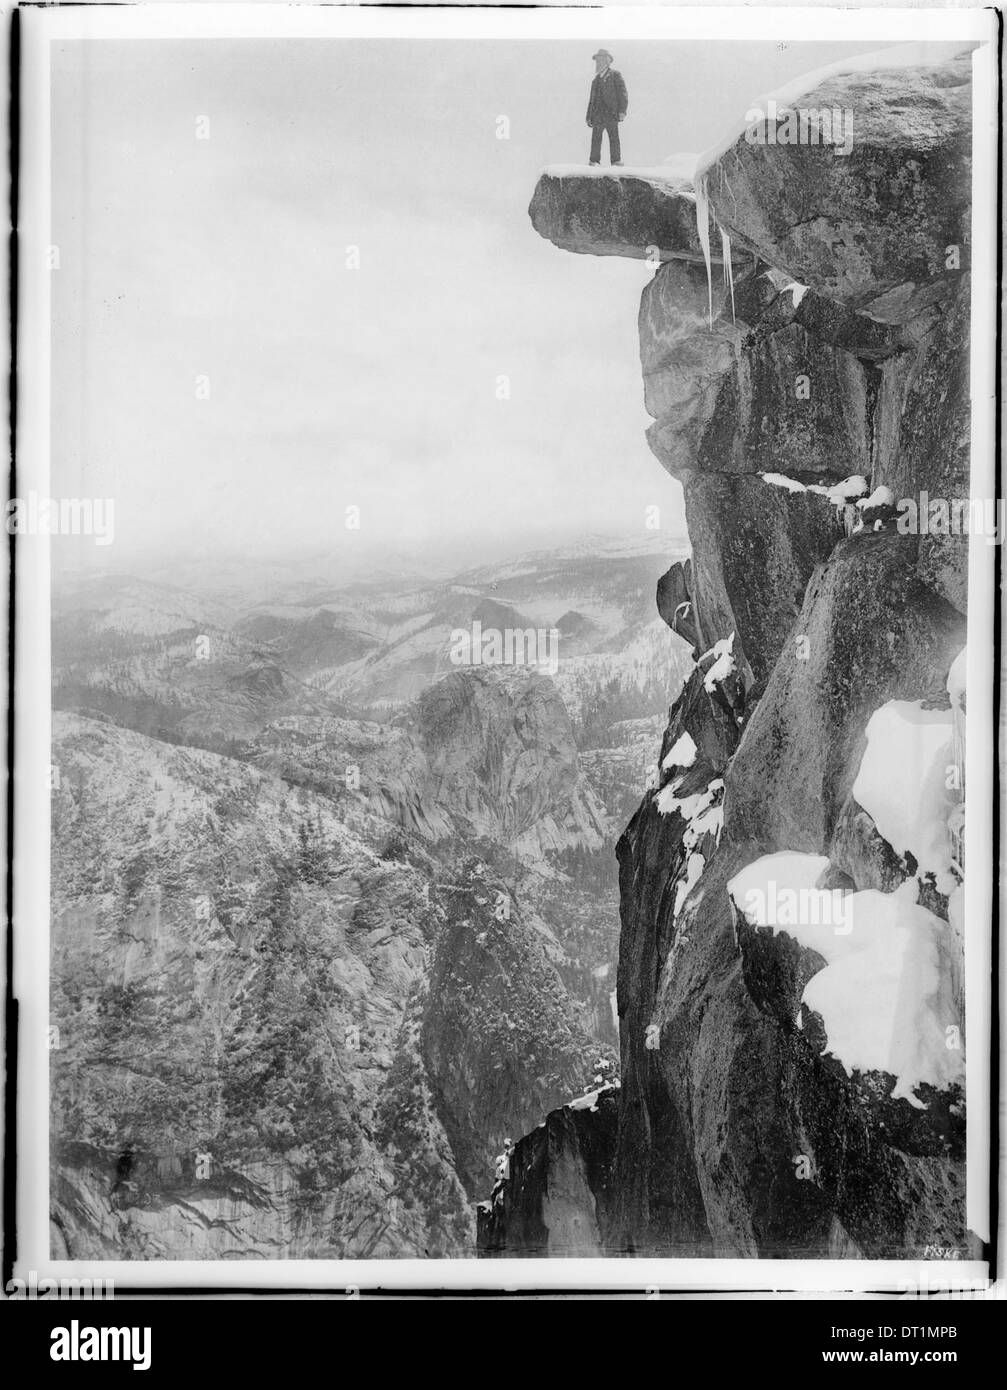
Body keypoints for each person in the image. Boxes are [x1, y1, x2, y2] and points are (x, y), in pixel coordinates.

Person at [586, 49, 627, 166]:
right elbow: (591, 101)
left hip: (611, 113)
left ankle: (616, 161)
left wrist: (622, 111)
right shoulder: (595, 81)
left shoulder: (615, 75)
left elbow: (622, 94)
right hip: (597, 115)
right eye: (597, 60)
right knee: (596, 138)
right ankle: (594, 161)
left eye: (601, 60)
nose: (598, 63)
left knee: (614, 137)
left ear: (608, 61)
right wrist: (589, 116)